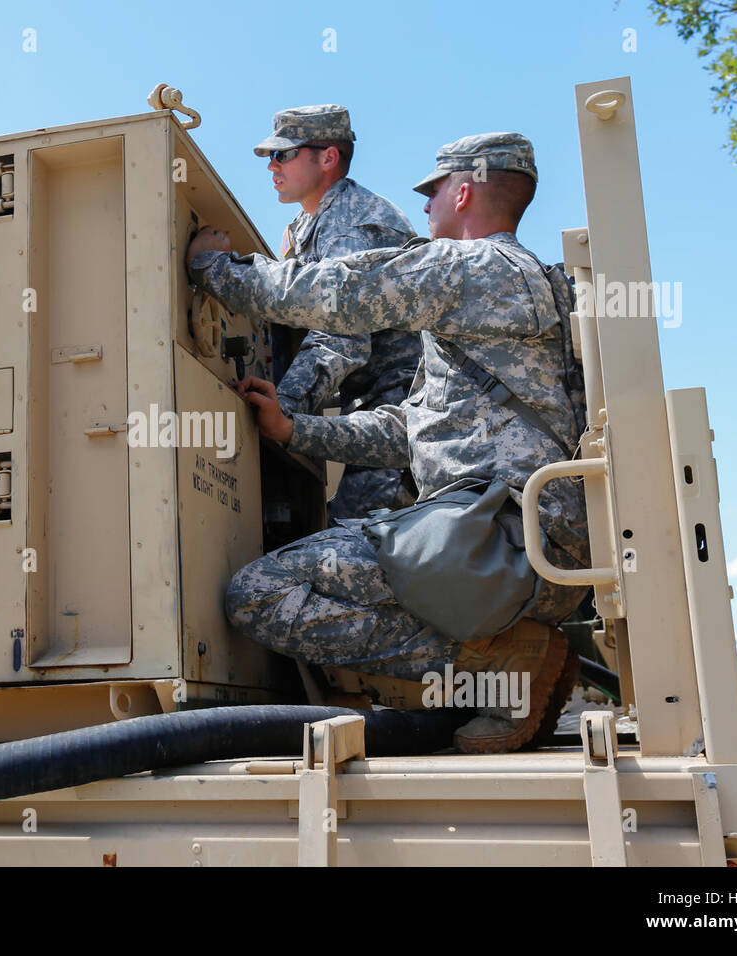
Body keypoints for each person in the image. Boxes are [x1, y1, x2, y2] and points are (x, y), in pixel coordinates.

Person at [186, 133, 590, 753]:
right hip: (541, 551)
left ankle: (498, 668)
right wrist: (298, 430)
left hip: (489, 542)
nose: (425, 209)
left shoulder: (469, 267)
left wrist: (216, 267)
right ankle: (499, 660)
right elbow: (411, 430)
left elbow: (331, 294)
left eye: (433, 193)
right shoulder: (539, 287)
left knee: (258, 594)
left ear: (462, 191)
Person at [250, 105, 421, 520]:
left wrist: (283, 410)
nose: (272, 165)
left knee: (366, 549)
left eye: (284, 154)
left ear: (328, 158)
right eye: (271, 156)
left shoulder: (354, 224)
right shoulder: (310, 223)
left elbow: (342, 336)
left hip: (395, 418)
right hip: (368, 414)